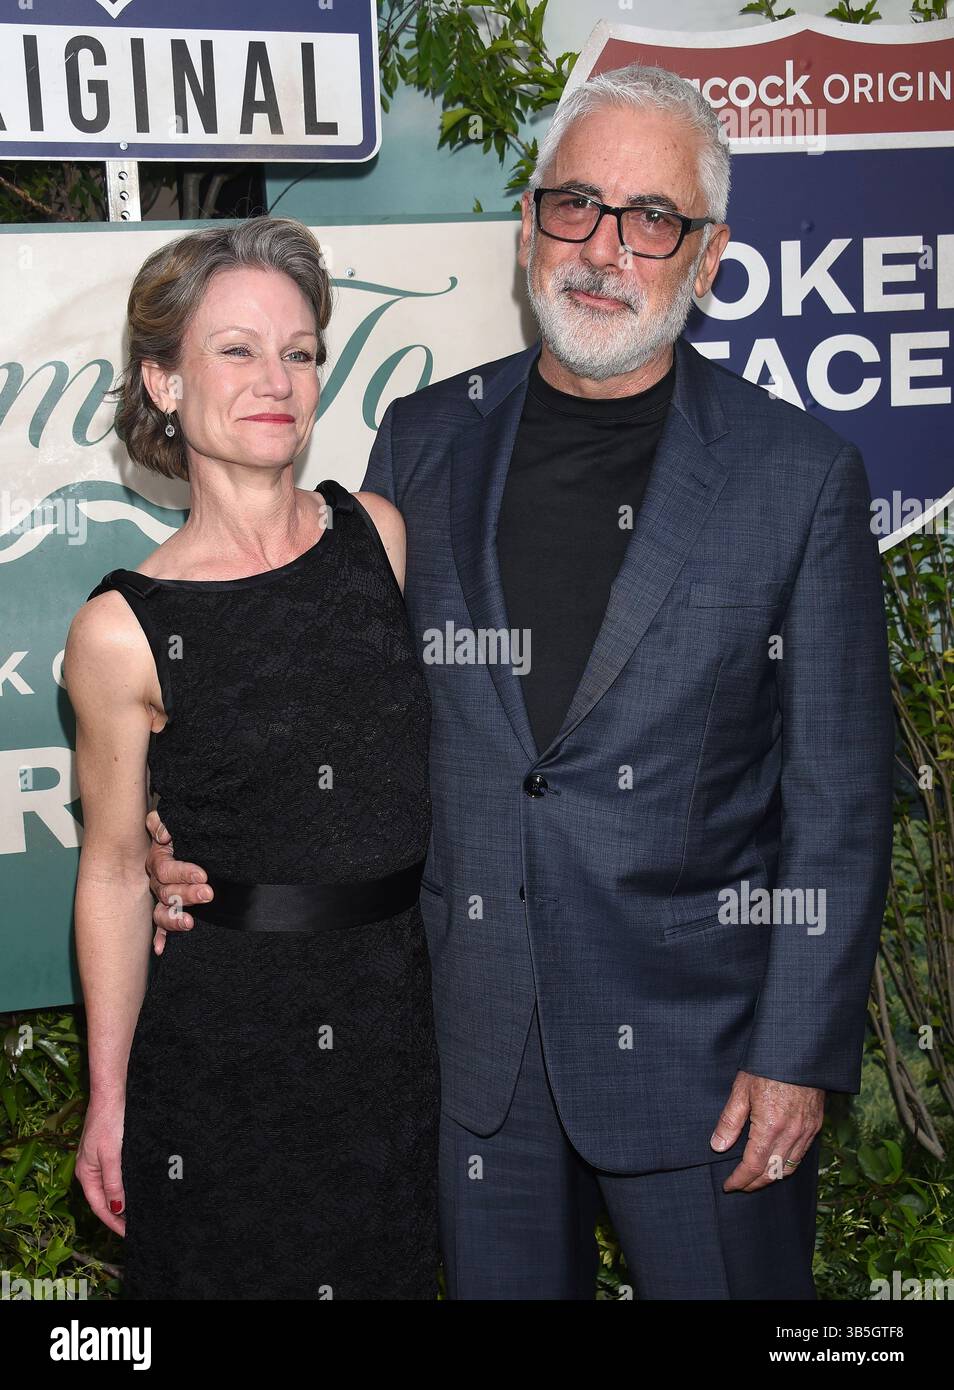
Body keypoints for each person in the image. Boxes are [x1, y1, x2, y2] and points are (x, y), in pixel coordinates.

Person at [145, 65, 894, 1299]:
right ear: (528, 224)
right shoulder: (424, 442)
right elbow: (334, 715)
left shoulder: (795, 476)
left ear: (708, 259)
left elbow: (841, 798)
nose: (603, 248)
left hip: (707, 1070)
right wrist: (187, 845)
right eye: (574, 206)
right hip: (464, 1056)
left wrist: (798, 1053)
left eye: (650, 219)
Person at [66, 216, 439, 1300]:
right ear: (165, 384)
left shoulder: (378, 536)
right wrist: (109, 1092)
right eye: (235, 350)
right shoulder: (121, 630)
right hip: (225, 1048)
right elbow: (114, 869)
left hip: (395, 1027)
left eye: (300, 350)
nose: (276, 378)